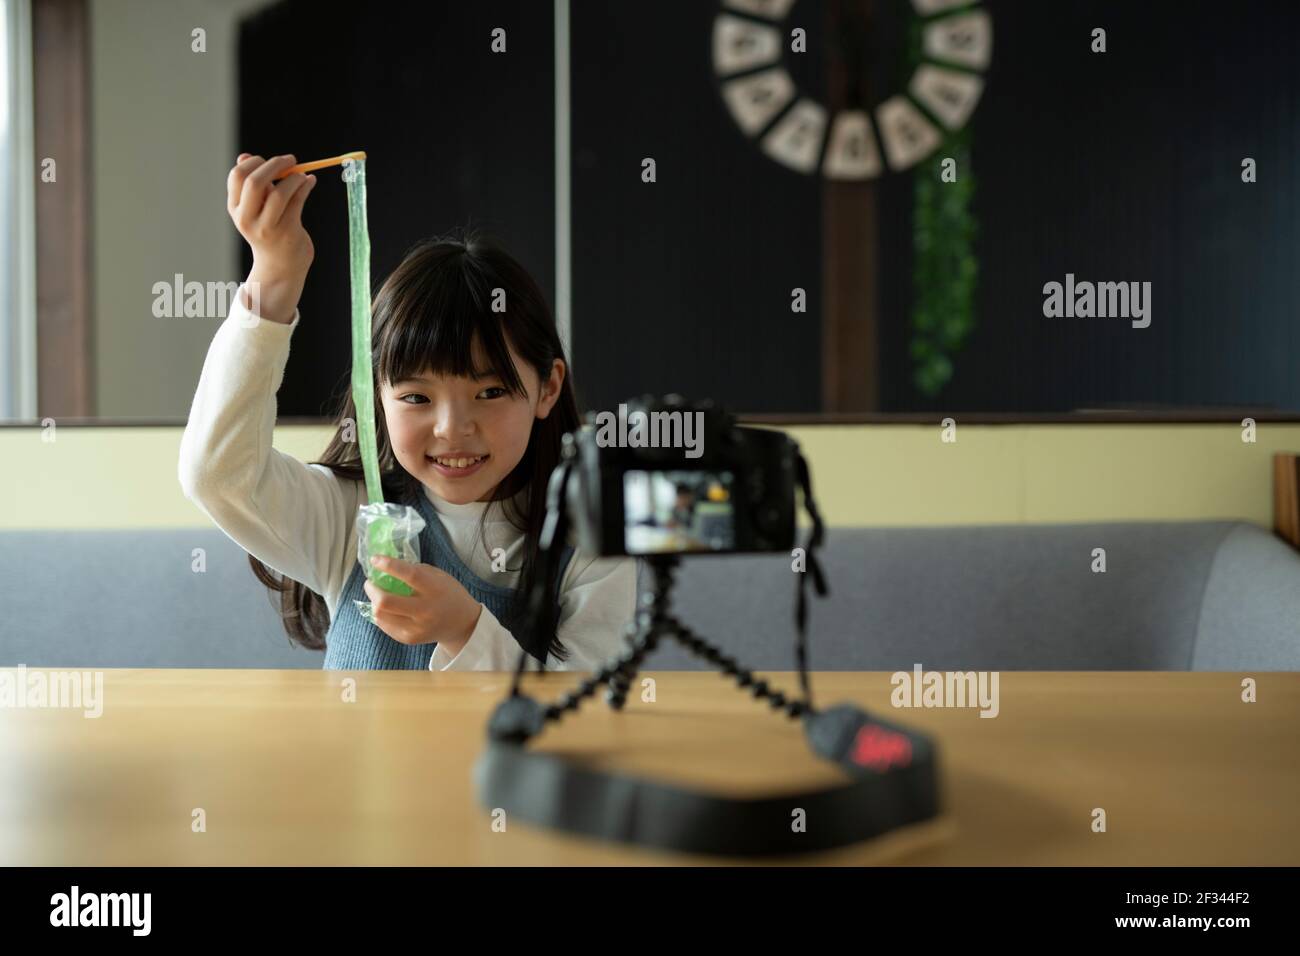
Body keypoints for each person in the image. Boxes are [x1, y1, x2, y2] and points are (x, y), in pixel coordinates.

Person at [178, 153, 637, 671]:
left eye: (489, 393)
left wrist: (466, 630)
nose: (452, 429)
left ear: (548, 388)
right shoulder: (349, 516)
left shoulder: (592, 535)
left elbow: (591, 711)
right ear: (378, 396)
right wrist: (273, 277)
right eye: (417, 398)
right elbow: (218, 476)